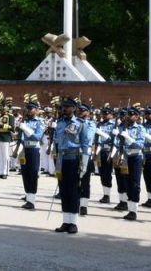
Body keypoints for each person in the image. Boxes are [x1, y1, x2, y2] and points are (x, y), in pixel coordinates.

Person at [53, 99, 90, 234]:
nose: (64, 109)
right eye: (63, 107)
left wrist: (84, 164)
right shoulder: (60, 123)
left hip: (74, 159)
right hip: (62, 159)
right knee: (63, 190)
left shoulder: (80, 124)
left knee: (74, 190)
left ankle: (73, 222)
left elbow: (85, 145)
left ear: (74, 108)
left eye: (67, 107)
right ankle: (65, 221)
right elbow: (56, 141)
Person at [17, 102, 46, 210]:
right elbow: (20, 137)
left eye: (31, 109)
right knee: (25, 173)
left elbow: (37, 137)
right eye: (28, 109)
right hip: (25, 149)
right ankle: (28, 196)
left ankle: (31, 201)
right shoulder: (25, 121)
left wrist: (25, 129)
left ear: (36, 110)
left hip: (34, 149)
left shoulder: (39, 122)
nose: (29, 111)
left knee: (33, 173)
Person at [95, 107, 116, 204]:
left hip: (109, 150)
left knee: (107, 173)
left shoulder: (114, 125)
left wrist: (102, 133)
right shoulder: (99, 124)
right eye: (103, 113)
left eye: (106, 114)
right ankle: (105, 194)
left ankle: (107, 195)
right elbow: (96, 139)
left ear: (111, 115)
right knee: (102, 173)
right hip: (100, 150)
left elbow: (112, 140)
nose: (104, 115)